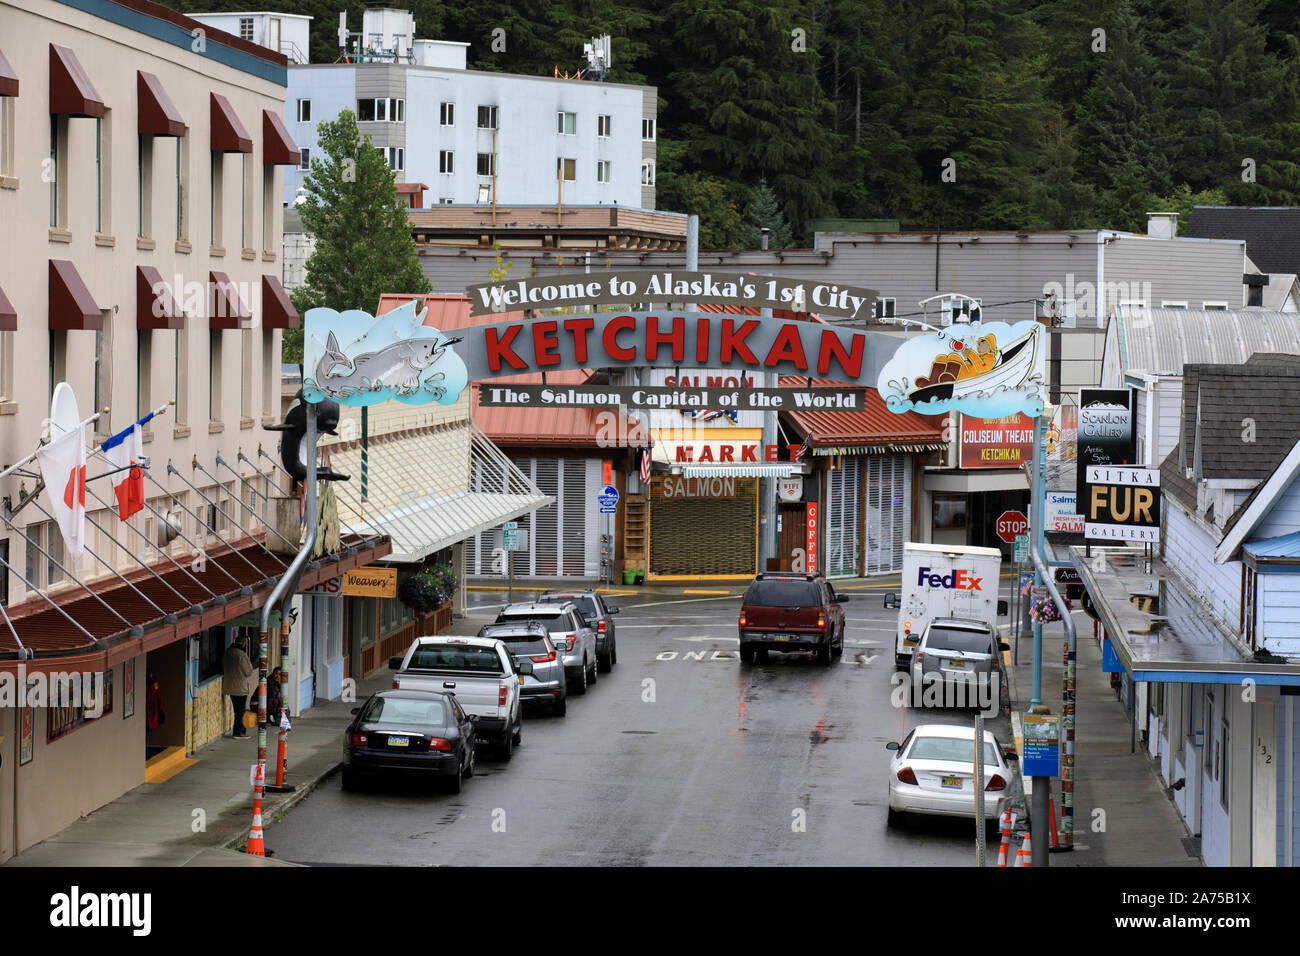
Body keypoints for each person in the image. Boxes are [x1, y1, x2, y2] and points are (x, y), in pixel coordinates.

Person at [222, 636, 256, 738]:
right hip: (241, 688)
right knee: (240, 711)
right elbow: (248, 671)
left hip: (229, 686)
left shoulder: (227, 653)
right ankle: (238, 731)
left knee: (237, 709)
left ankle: (239, 730)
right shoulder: (241, 655)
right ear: (244, 644)